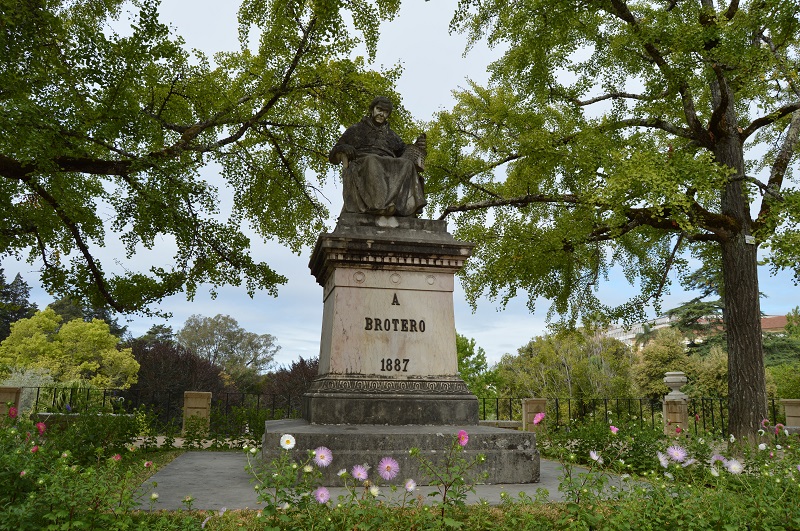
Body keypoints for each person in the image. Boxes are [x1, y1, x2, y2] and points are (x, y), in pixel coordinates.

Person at [329, 96, 427, 217]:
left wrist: (416, 146)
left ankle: (405, 208)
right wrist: (343, 148)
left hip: (389, 163)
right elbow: (333, 154)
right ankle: (379, 206)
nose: (382, 114)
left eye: (385, 112)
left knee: (407, 164)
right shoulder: (356, 129)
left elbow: (404, 152)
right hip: (364, 162)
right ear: (372, 109)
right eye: (379, 109)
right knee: (372, 160)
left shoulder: (391, 135)